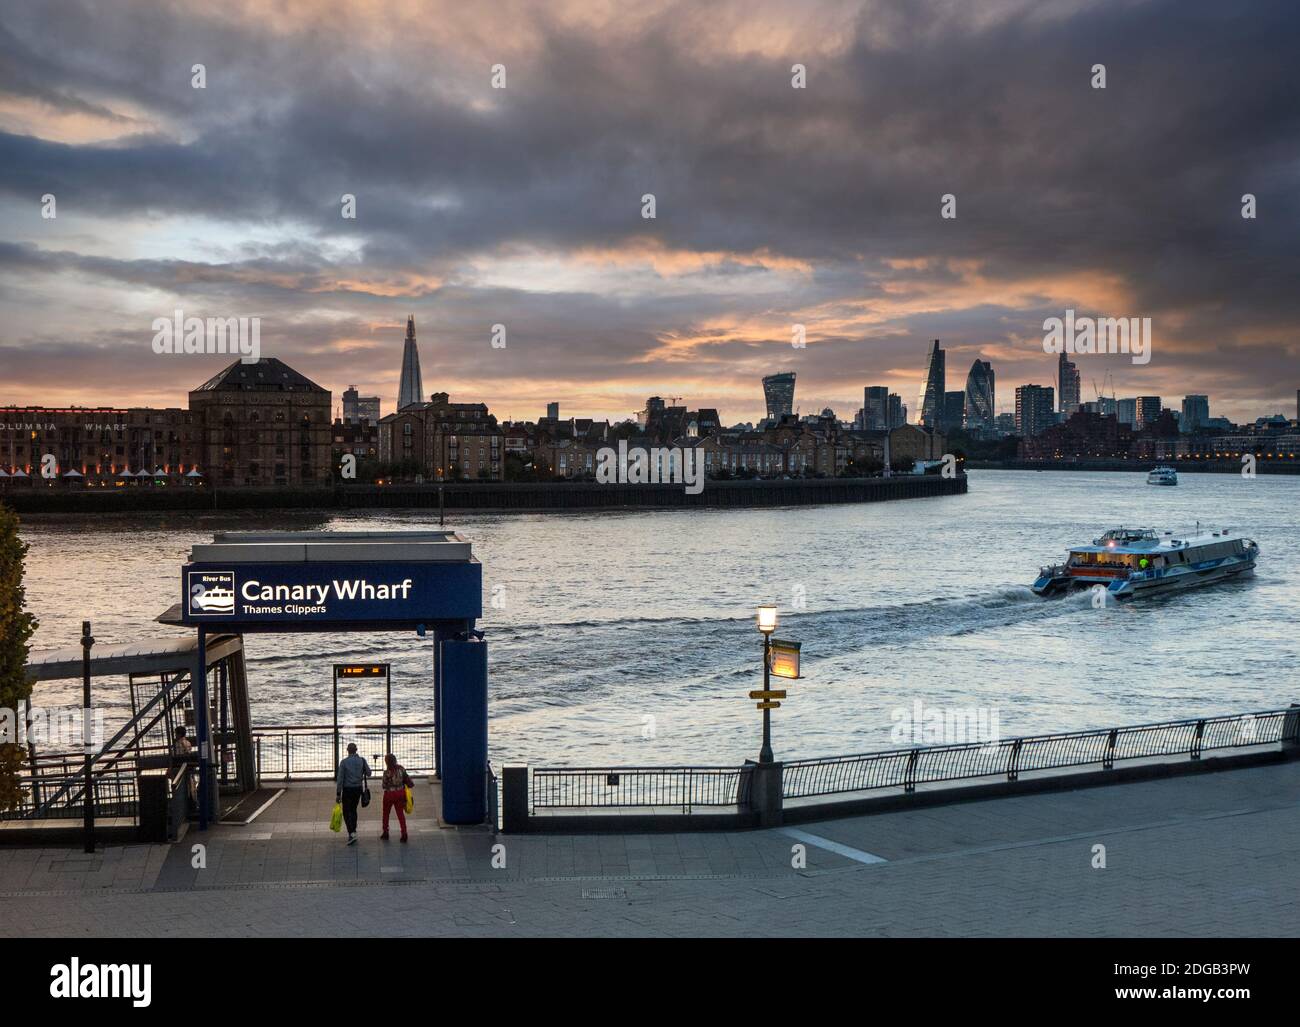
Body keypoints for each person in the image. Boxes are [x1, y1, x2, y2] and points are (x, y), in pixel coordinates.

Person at [334, 742, 371, 845]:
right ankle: (353, 830)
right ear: (356, 750)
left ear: (347, 750)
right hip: (358, 789)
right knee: (353, 810)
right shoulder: (362, 760)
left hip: (347, 790)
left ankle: (351, 833)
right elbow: (369, 773)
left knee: (346, 811)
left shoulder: (344, 762)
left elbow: (340, 779)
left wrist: (338, 794)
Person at [380, 753, 414, 842]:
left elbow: (384, 785)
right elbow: (408, 780)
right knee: (400, 814)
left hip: (389, 795)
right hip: (400, 793)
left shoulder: (386, 773)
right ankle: (404, 833)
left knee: (386, 813)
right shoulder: (401, 769)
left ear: (386, 762)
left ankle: (385, 832)